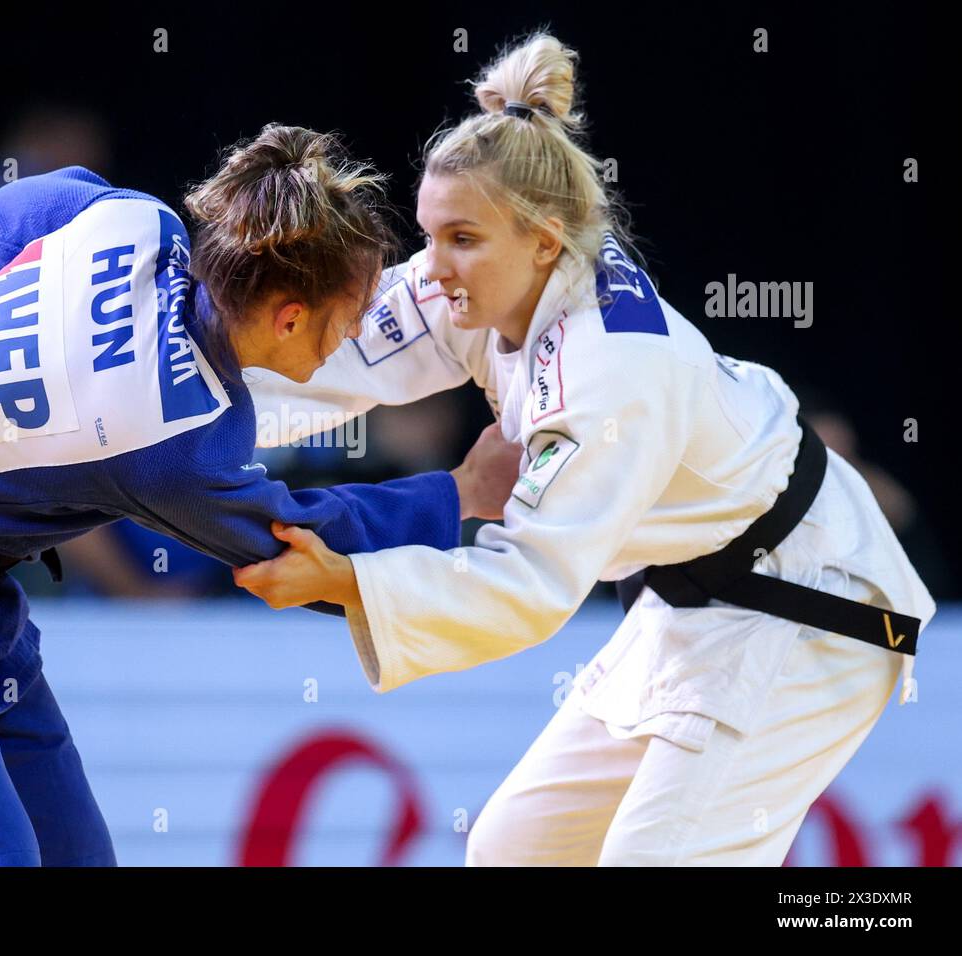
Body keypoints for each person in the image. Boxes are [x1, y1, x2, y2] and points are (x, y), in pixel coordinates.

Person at [0, 125, 522, 866]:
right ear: (290, 317)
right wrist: (459, 493)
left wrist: (12, 367)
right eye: (351, 320)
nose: (358, 336)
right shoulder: (182, 439)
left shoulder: (132, 222)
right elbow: (300, 537)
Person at [235, 35, 936, 866]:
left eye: (462, 238)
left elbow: (530, 581)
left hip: (810, 605)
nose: (433, 269)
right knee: (514, 850)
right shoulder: (485, 283)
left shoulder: (607, 369)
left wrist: (350, 580)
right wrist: (176, 406)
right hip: (694, 595)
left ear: (543, 238)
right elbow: (319, 362)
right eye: (430, 236)